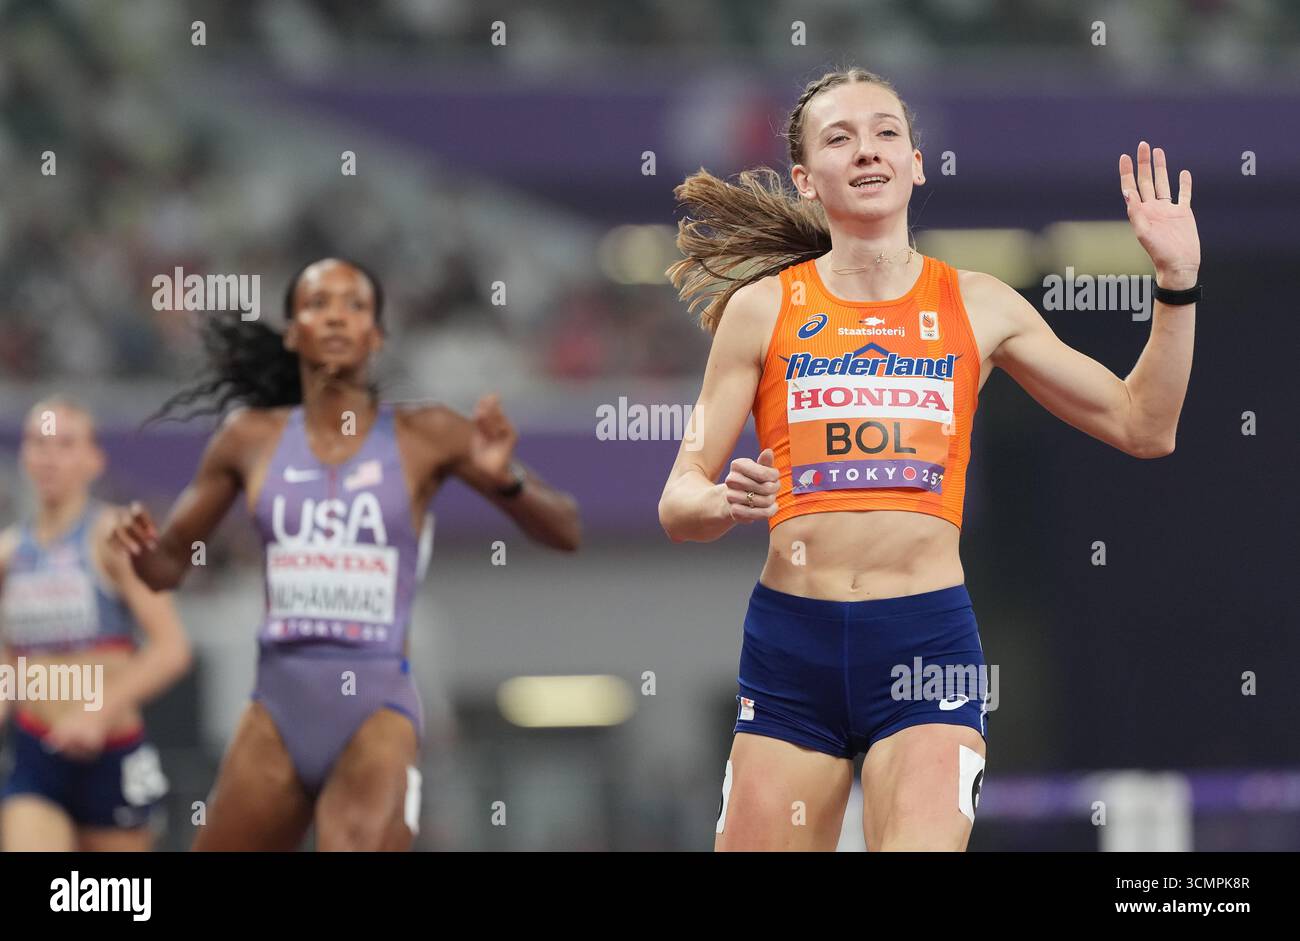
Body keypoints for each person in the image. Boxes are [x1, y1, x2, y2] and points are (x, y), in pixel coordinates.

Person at [659, 67, 1198, 850]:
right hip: (791, 653)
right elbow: (680, 497)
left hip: (926, 648)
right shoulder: (763, 309)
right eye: (840, 138)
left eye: (886, 133)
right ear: (807, 179)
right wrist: (716, 504)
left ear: (916, 163)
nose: (868, 150)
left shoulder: (978, 305)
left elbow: (1144, 424)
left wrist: (1176, 285)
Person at [111, 257, 581, 850]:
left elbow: (565, 530)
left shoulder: (427, 434)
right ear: (292, 331)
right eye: (317, 304)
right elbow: (167, 565)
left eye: (354, 306)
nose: (335, 317)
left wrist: (506, 483)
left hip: (377, 707)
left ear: (376, 335)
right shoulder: (248, 439)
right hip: (276, 709)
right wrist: (140, 553)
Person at [0, 397, 191, 851]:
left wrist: (97, 711)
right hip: (37, 750)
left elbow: (170, 649)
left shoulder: (111, 539)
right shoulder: (8, 555)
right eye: (39, 443)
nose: (49, 457)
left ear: (93, 460)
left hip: (111, 751)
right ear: (24, 455)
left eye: (65, 444)